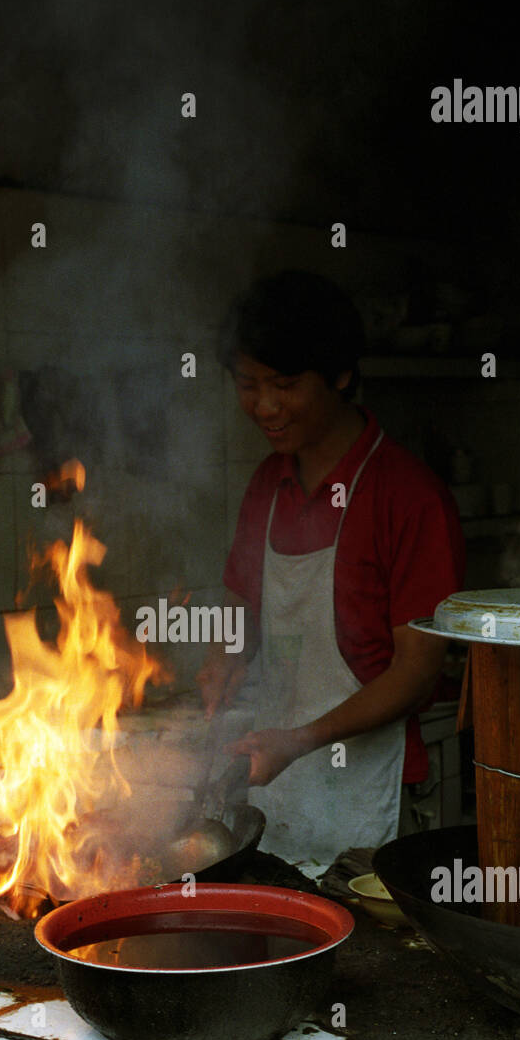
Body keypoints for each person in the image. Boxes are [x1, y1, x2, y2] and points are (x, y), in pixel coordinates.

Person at [197, 270, 465, 874]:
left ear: (342, 375)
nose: (265, 406)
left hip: (374, 803)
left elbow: (419, 673)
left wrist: (299, 740)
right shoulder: (268, 483)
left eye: (285, 384)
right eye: (248, 384)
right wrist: (224, 660)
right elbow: (242, 612)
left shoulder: (409, 496)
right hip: (276, 790)